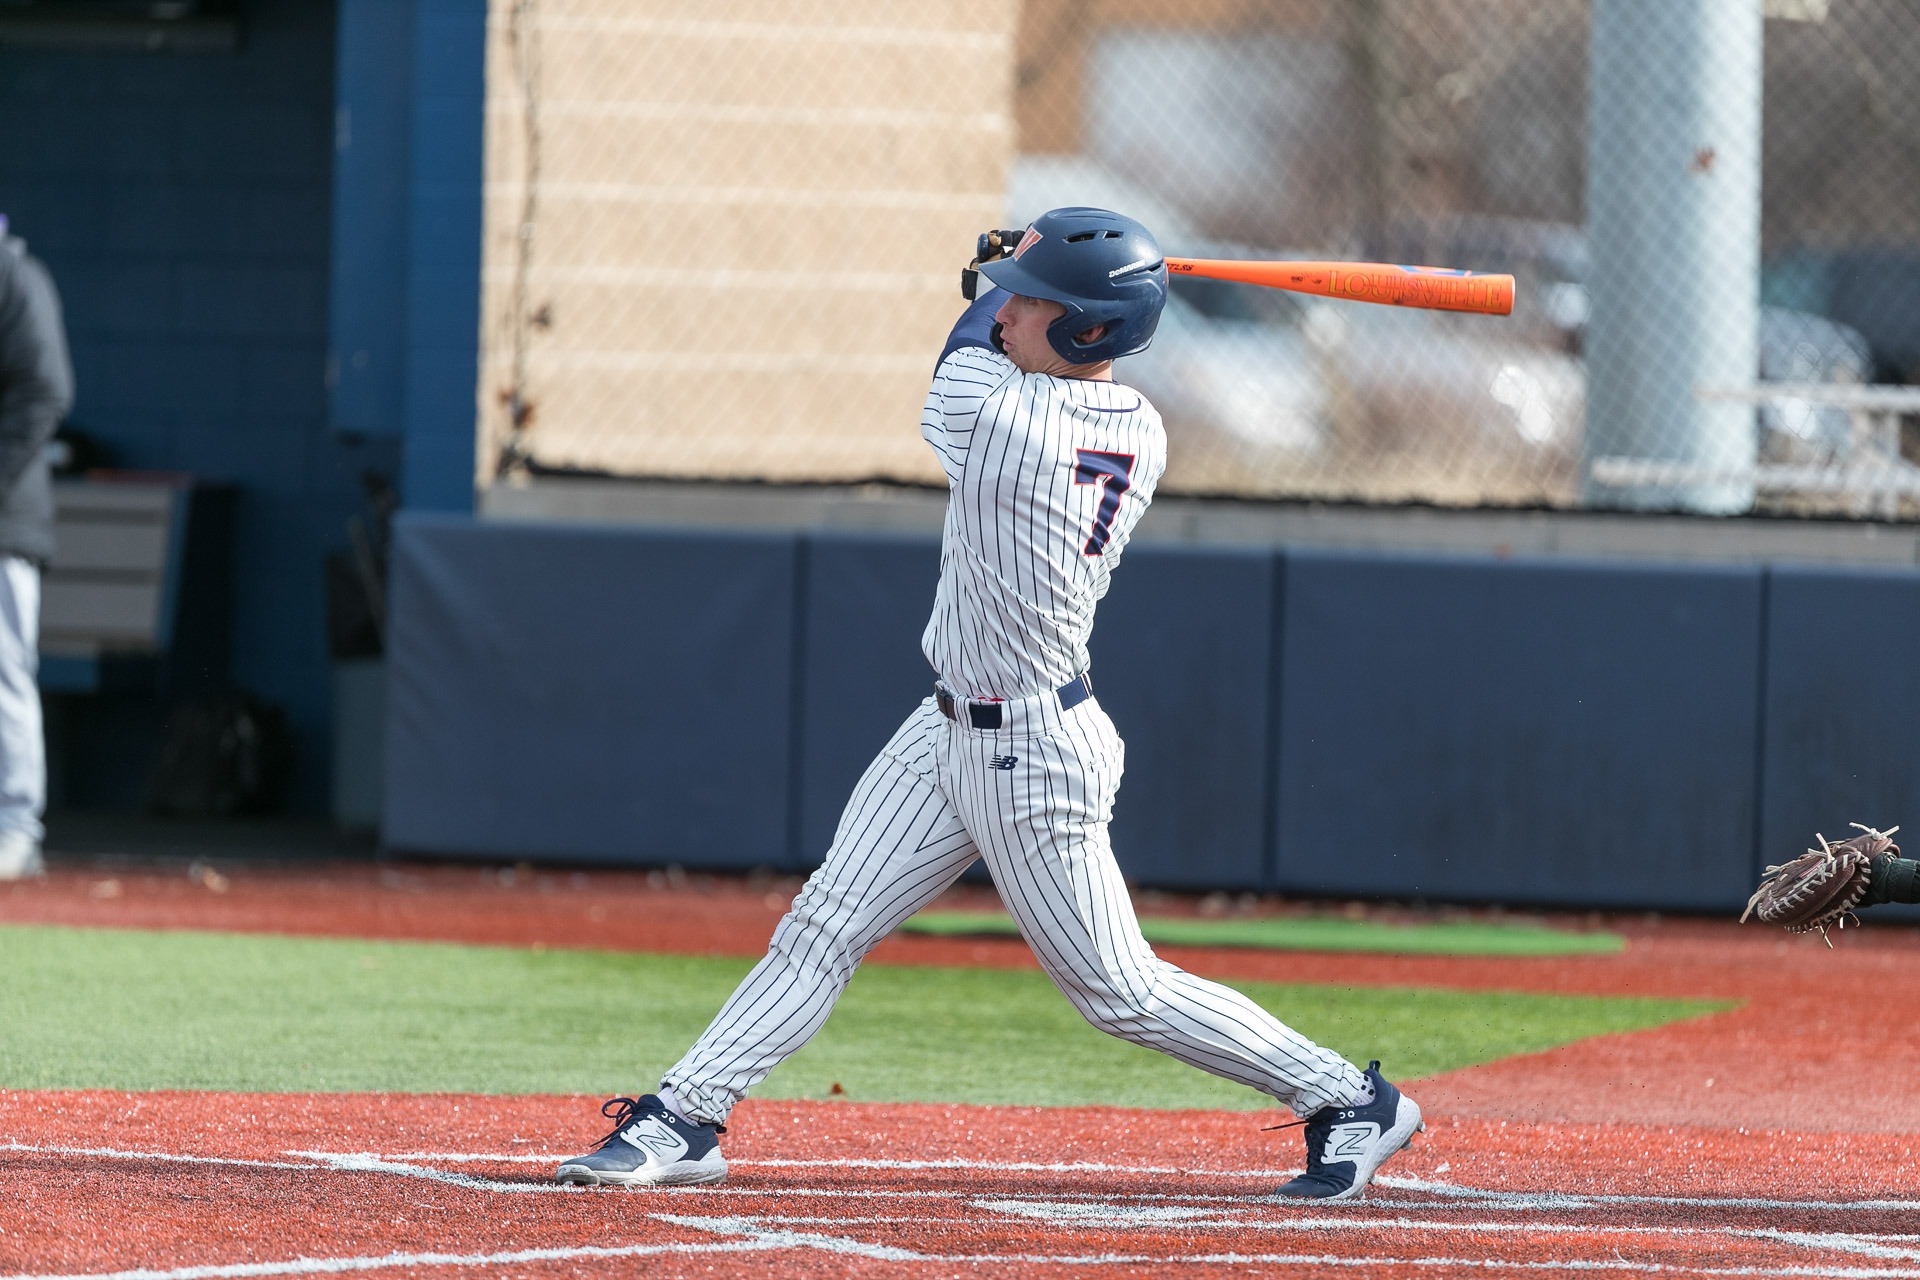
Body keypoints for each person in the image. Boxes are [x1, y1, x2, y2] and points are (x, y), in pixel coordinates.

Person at [556, 208, 1422, 1201]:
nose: (1009, 310)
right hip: (949, 724)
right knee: (822, 925)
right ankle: (687, 1111)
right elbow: (1009, 331)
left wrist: (997, 263)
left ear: (1088, 330)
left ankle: (1348, 1096)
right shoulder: (1140, 425)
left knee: (1121, 991)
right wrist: (1044, 264)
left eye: (1034, 301)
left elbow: (966, 339)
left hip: (1033, 755)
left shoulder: (1003, 417)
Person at [0, 217, 71, 880]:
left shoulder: (16, 279)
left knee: (2, 673)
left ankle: (16, 828)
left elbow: (46, 390)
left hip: (4, 524)